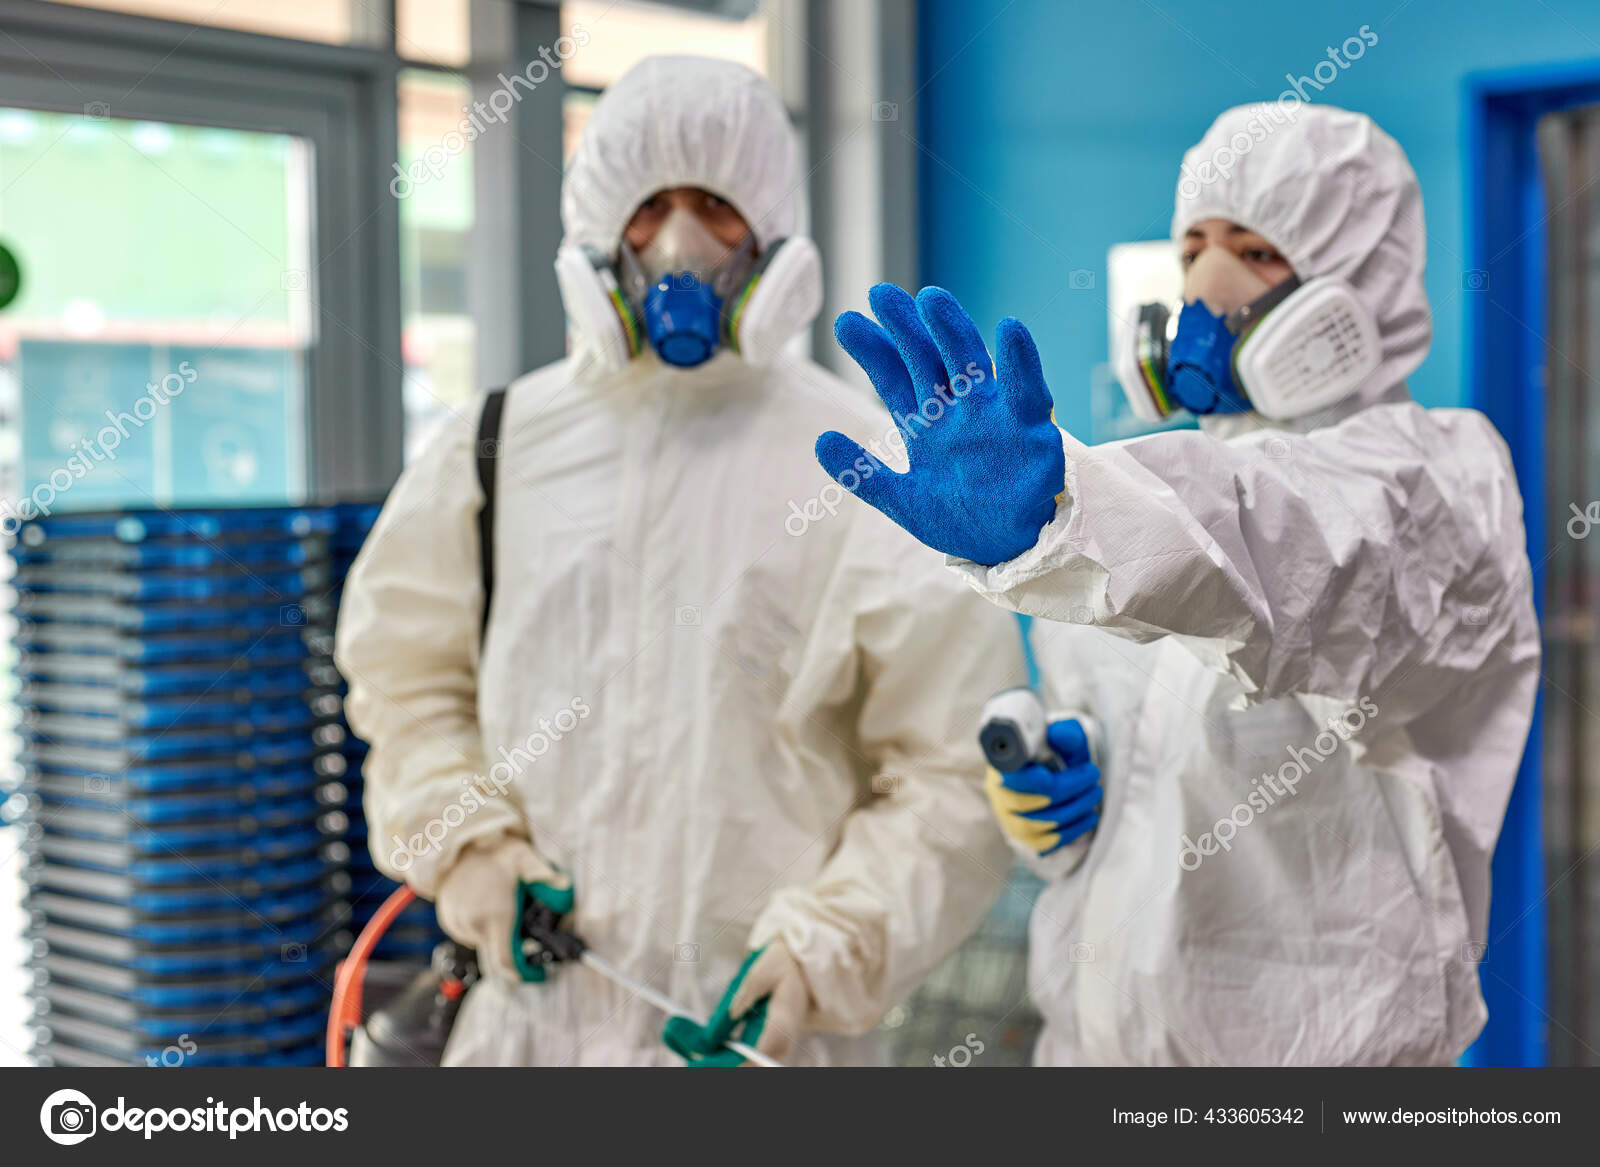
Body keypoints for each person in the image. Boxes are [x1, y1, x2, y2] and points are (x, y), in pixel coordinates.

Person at [814, 104, 1540, 1065]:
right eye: (1192, 243)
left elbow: (1288, 554)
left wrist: (1067, 512)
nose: (1208, 279)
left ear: (1358, 287)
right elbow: (1143, 767)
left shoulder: (1431, 479)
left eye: (1259, 250)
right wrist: (1060, 810)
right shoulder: (1137, 492)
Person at [335, 54, 1022, 1067]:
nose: (678, 244)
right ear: (599, 225)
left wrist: (827, 948)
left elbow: (950, 769)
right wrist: (469, 845)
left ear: (774, 227)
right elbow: (406, 683)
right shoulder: (494, 445)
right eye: (648, 206)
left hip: (753, 1039)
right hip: (526, 1029)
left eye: (715, 204)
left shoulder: (865, 465)